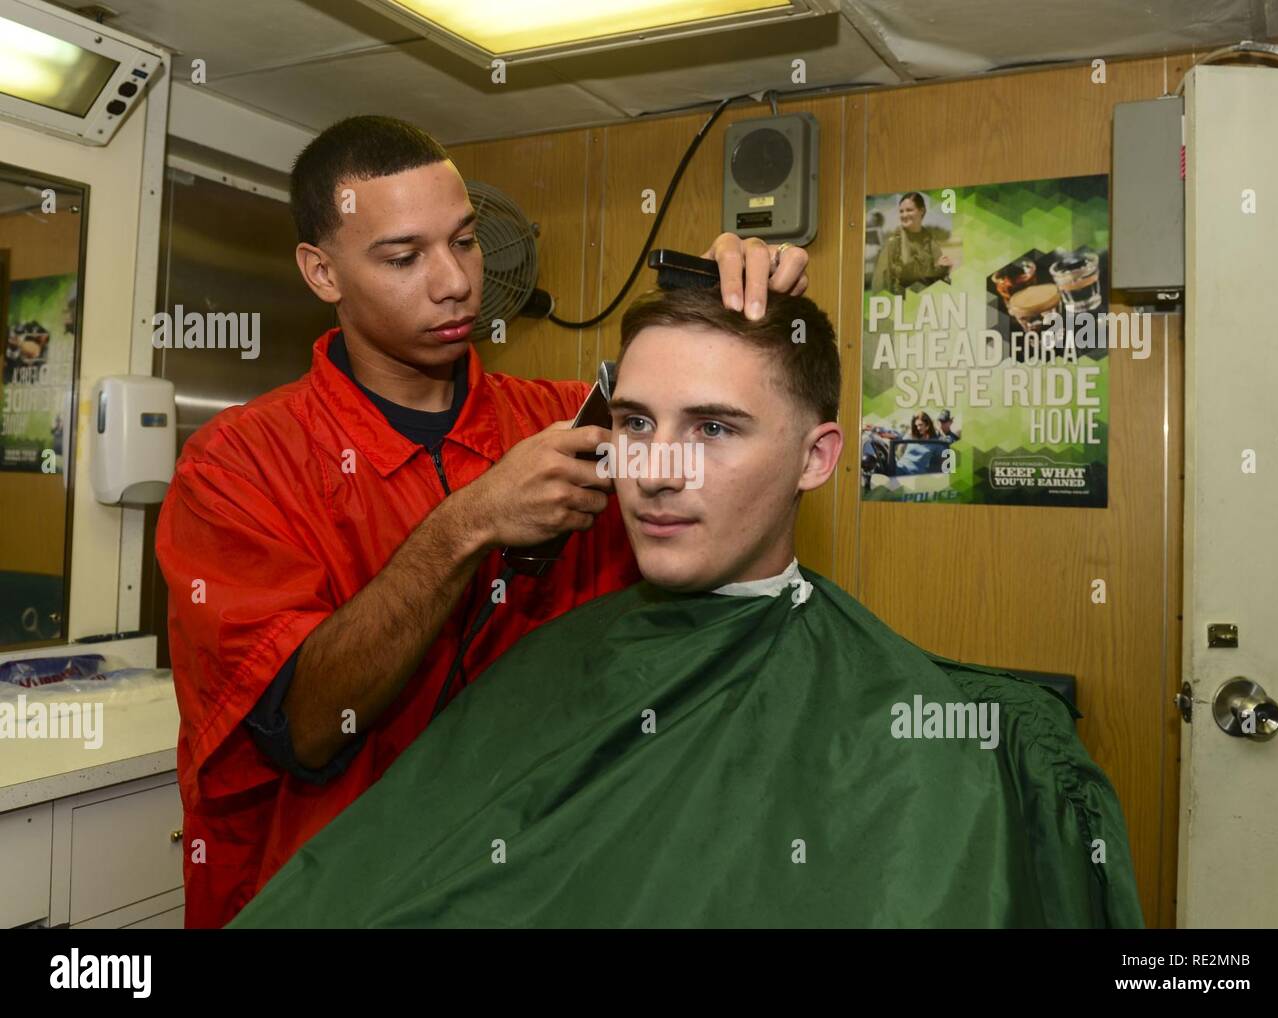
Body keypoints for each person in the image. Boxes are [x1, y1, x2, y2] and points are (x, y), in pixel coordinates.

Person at [228, 285, 1144, 929]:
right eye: (634, 423)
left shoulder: (917, 752)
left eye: (713, 428)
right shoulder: (554, 665)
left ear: (818, 459)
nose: (655, 470)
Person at [153, 115, 810, 928]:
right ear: (322, 273)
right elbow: (309, 728)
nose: (456, 282)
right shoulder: (238, 465)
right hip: (324, 899)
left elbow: (731, 499)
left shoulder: (571, 424)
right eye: (404, 257)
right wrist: (466, 524)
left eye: (465, 242)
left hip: (533, 891)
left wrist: (743, 324)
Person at [870, 191, 952, 294]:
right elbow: (879, 282)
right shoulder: (893, 243)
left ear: (921, 211)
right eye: (901, 211)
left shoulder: (930, 242)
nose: (904, 215)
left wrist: (944, 269)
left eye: (909, 210)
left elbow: (941, 277)